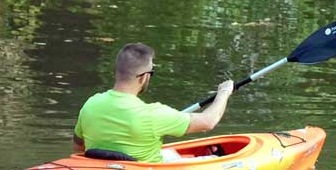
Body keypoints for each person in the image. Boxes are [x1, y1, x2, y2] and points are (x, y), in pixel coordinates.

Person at [72, 42, 232, 163]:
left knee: (169, 154)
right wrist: (224, 93)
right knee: (215, 158)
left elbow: (79, 148)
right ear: (143, 77)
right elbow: (209, 121)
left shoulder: (90, 105)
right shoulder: (154, 114)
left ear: (117, 71)